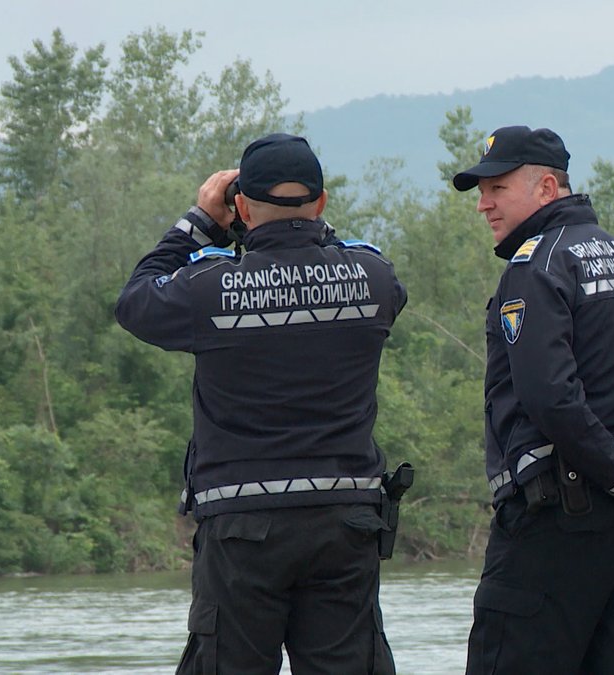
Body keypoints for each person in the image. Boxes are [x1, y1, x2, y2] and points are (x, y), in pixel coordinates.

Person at [115, 133, 406, 675]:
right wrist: (308, 233)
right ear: (321, 204)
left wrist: (201, 221)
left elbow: (135, 302)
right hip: (345, 523)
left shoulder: (209, 287)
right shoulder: (373, 278)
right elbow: (347, 264)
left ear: (242, 207)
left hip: (241, 530)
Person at [452, 125, 614, 674]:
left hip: (559, 518)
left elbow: (549, 396)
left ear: (546, 188)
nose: (483, 204)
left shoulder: (535, 264)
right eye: (481, 190)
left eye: (496, 188)